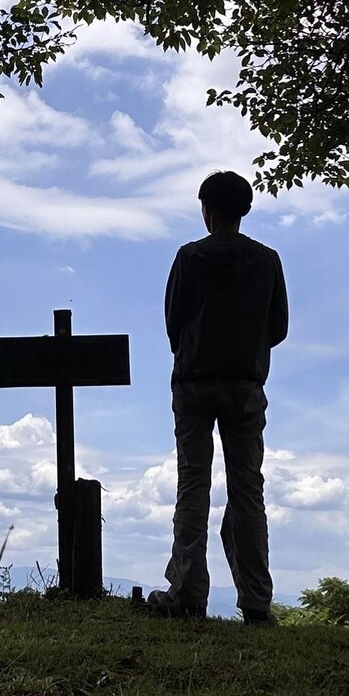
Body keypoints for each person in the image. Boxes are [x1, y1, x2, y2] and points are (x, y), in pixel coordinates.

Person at [147, 170, 288, 626]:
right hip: (246, 385)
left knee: (193, 484)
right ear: (244, 211)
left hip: (193, 382)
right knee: (248, 489)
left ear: (207, 209)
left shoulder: (189, 258)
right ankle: (256, 602)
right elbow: (279, 327)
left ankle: (187, 595)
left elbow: (174, 323)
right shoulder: (267, 260)